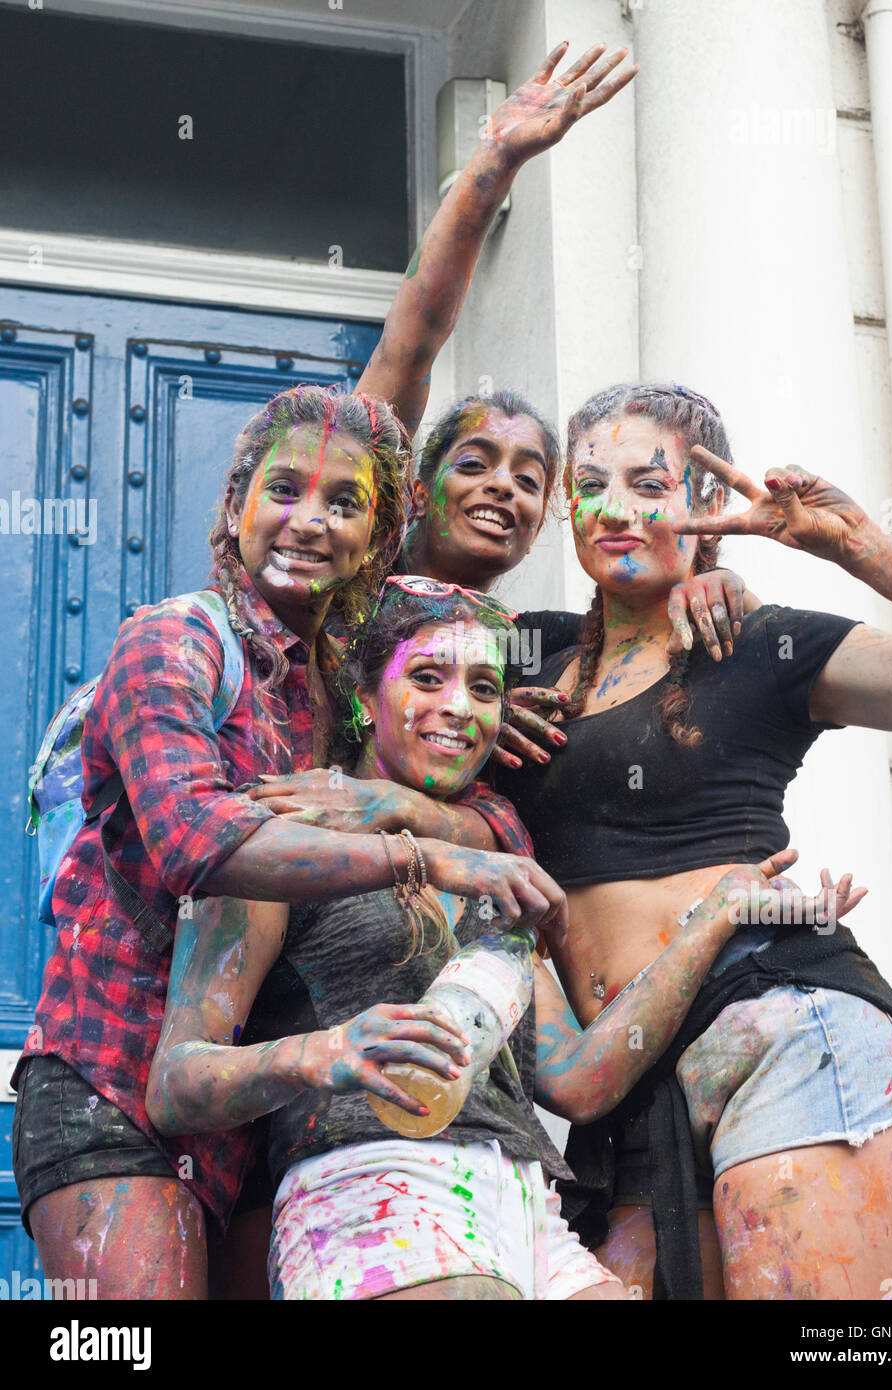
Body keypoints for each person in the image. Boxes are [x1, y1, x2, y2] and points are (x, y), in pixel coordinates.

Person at [146, 578, 859, 1300]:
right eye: (427, 678)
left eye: (484, 687)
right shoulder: (283, 841)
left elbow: (578, 1082)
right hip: (369, 1185)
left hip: (525, 1202)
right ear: (363, 697)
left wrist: (714, 917)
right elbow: (175, 1085)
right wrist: (325, 1053)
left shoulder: (494, 879)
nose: (458, 707)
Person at [12, 387, 563, 1300]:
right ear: (236, 506)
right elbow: (194, 837)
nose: (309, 522)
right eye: (283, 493)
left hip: (255, 1114)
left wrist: (406, 802)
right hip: (111, 1084)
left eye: (344, 503)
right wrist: (423, 854)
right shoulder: (174, 640)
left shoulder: (345, 689)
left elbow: (493, 824)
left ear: (379, 536)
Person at [493, 382, 892, 1300]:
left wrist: (853, 546)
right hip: (628, 1089)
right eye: (589, 484)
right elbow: (378, 645)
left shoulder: (758, 644)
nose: (616, 508)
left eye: (649, 483)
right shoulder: (521, 655)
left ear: (707, 506)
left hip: (786, 1031)